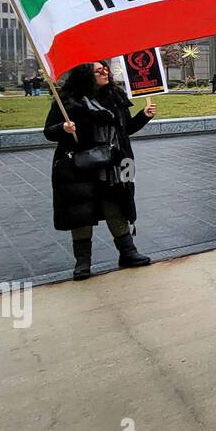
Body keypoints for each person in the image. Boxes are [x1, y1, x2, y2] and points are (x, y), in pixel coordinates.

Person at [44, 60, 155, 279]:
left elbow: (126, 130)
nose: (106, 73)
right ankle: (83, 263)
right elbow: (49, 132)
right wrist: (64, 128)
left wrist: (144, 116)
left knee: (116, 207)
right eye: (99, 71)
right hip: (80, 167)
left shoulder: (115, 98)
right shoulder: (68, 101)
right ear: (86, 75)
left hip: (114, 165)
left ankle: (128, 253)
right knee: (81, 213)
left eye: (106, 69)